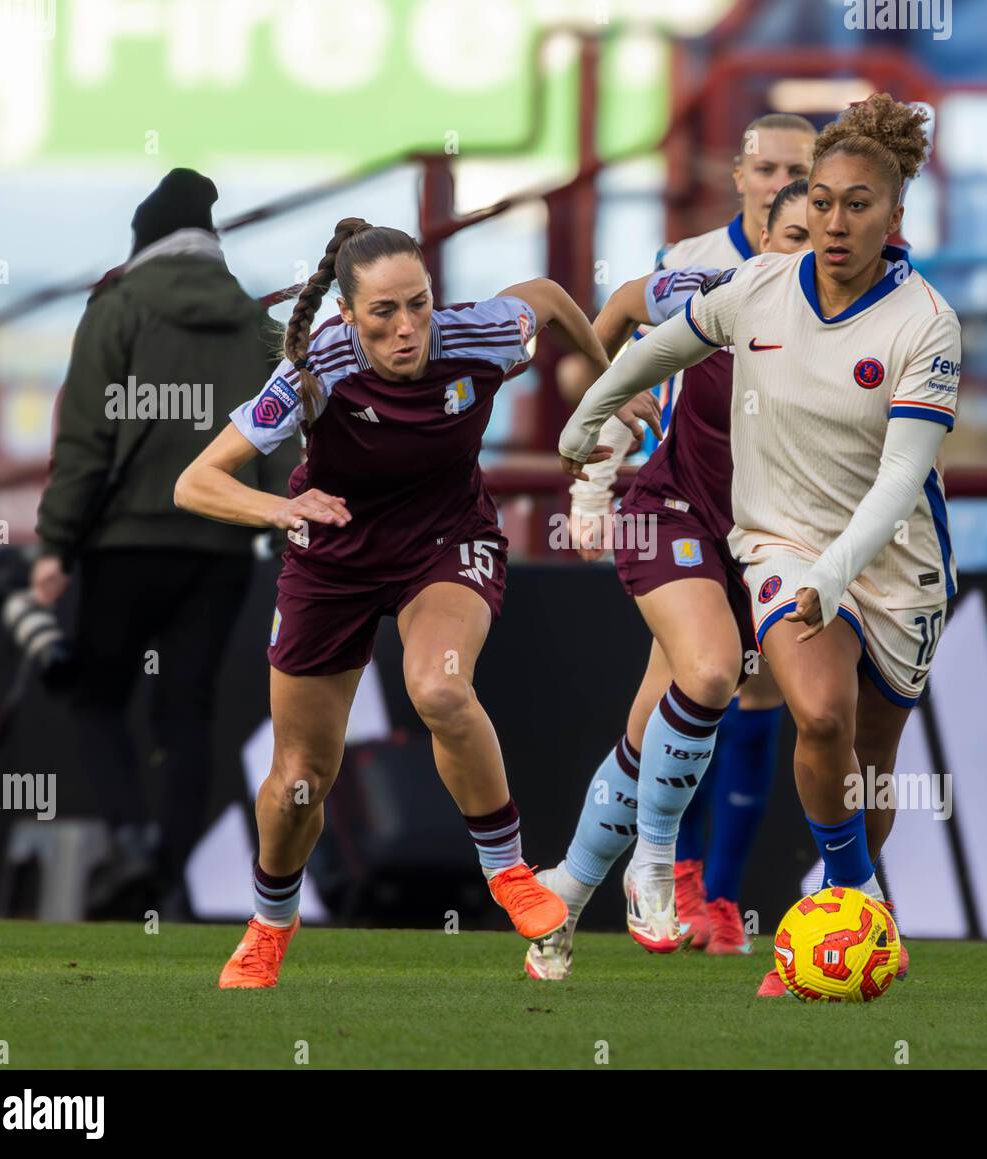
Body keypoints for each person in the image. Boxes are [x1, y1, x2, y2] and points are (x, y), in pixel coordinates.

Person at [175, 218, 655, 989]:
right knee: (300, 777)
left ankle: (508, 871)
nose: (408, 329)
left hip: (444, 540)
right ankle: (269, 922)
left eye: (420, 305)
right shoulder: (316, 367)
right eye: (384, 314)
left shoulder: (481, 335)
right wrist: (281, 510)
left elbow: (555, 300)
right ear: (347, 315)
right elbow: (196, 480)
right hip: (330, 557)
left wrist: (610, 396)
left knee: (438, 685)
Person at [558, 94, 961, 996]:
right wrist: (587, 421)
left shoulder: (925, 322)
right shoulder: (755, 284)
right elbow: (656, 345)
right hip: (779, 540)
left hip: (894, 564)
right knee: (817, 713)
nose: (833, 220)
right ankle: (848, 909)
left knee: (869, 766)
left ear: (895, 218)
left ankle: (837, 898)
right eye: (821, 200)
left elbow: (902, 479)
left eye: (858, 204)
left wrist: (840, 570)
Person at [526, 181, 813, 982]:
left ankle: (564, 900)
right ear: (762, 237)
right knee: (714, 671)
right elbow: (619, 305)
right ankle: (655, 862)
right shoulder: (710, 292)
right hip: (670, 511)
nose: (803, 248)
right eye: (788, 232)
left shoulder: (860, 333)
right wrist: (609, 397)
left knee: (651, 724)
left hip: (762, 545)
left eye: (817, 234)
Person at [32, 168, 298, 919]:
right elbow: (280, 442)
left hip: (122, 548)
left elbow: (84, 443)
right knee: (187, 715)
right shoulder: (255, 322)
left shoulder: (116, 307)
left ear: (144, 240)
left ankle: (132, 841)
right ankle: (167, 871)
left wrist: (54, 546)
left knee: (97, 699)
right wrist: (290, 534)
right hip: (218, 550)